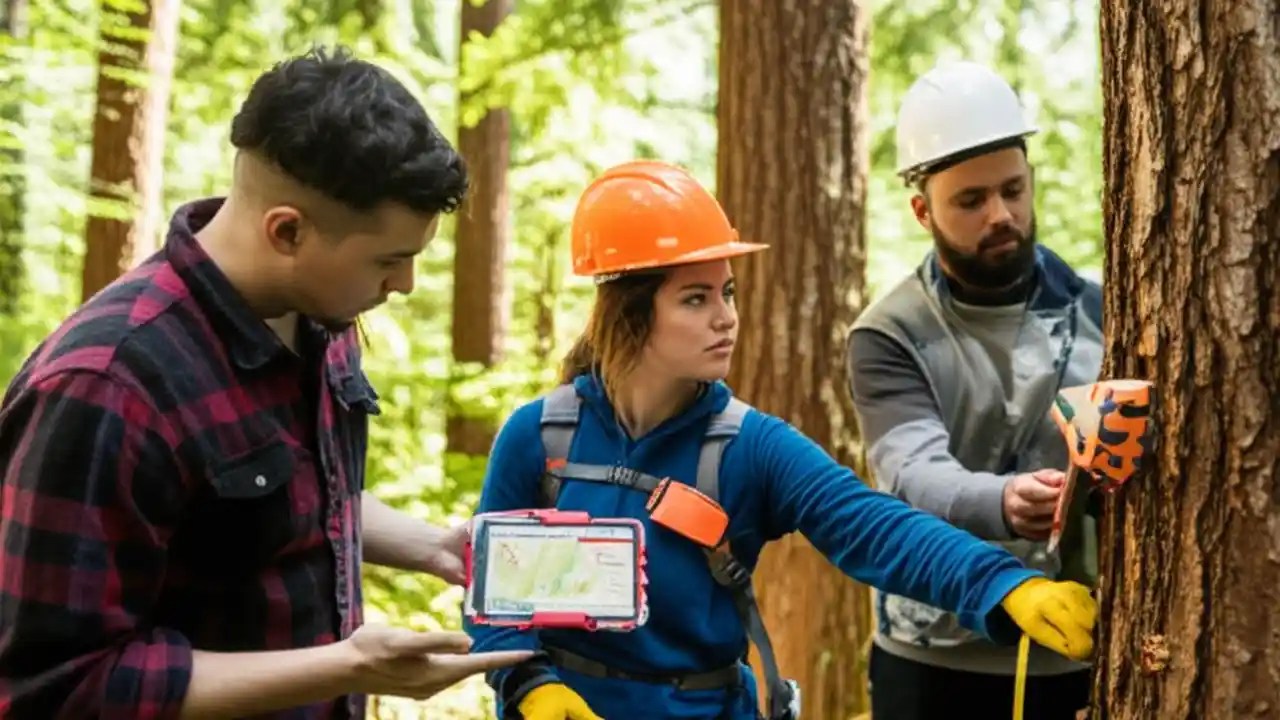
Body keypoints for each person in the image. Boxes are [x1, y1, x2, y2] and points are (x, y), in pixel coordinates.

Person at [0, 46, 531, 719]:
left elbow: (286, 499)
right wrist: (346, 667)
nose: (404, 286)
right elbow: (57, 687)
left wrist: (433, 547)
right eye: (390, 261)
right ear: (287, 231)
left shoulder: (320, 313)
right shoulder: (105, 387)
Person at [464, 159, 1098, 720]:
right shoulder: (539, 438)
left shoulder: (749, 446)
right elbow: (491, 597)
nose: (726, 317)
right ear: (630, 313)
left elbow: (874, 527)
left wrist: (1004, 584)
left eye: (728, 293)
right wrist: (528, 685)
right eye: (695, 298)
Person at [845, 60, 1105, 720]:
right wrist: (1003, 502)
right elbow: (912, 472)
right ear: (921, 211)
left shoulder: (1104, 312)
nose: (1002, 214)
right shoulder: (888, 334)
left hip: (1076, 650)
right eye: (970, 200)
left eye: (1013, 189)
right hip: (932, 660)